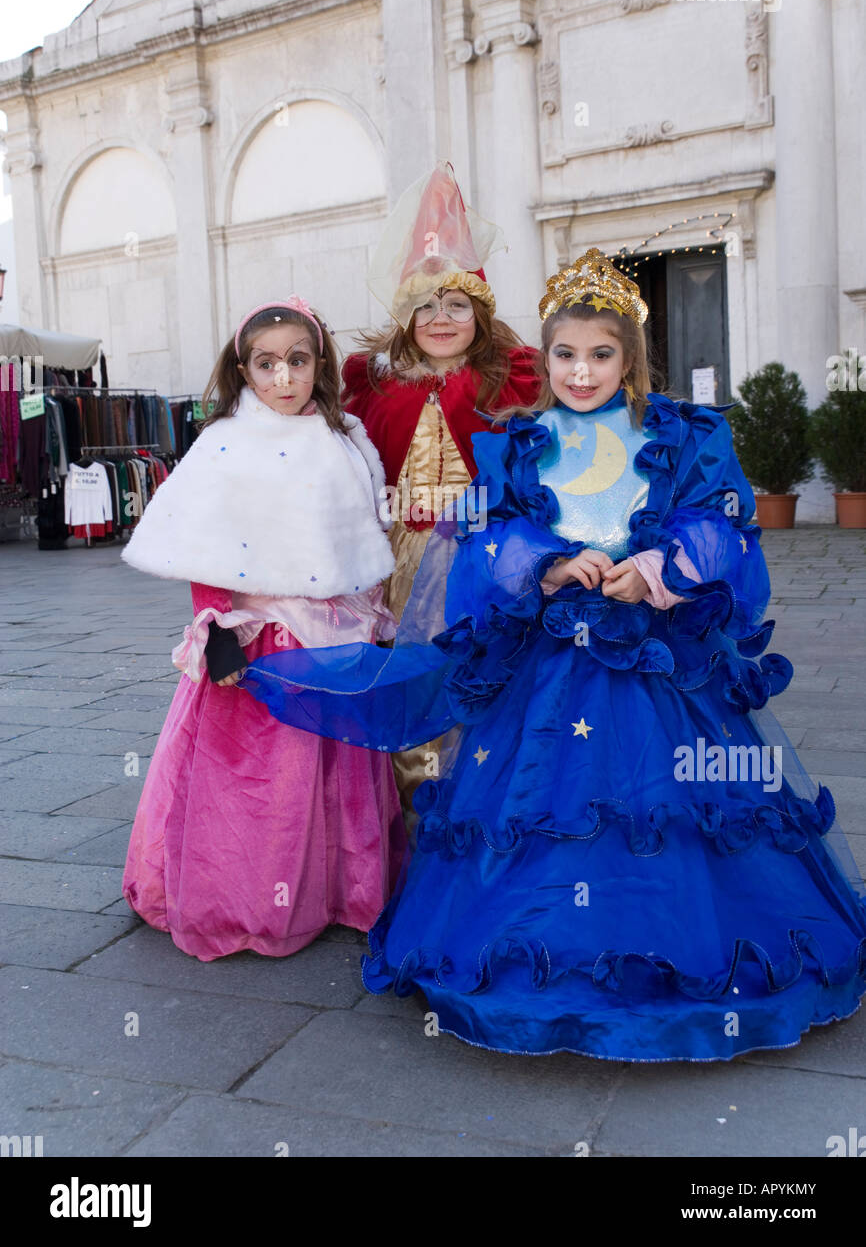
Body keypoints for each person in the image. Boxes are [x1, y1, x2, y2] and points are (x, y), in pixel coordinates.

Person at [241, 252, 866, 1061]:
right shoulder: (519, 443)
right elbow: (483, 535)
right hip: (549, 666)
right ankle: (537, 954)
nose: (581, 372)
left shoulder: (681, 434)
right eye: (566, 354)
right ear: (548, 357)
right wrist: (548, 564)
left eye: (601, 355)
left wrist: (654, 570)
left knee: (672, 806)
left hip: (658, 663)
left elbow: (721, 521)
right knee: (545, 808)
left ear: (631, 358)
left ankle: (679, 950)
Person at [120, 298, 406, 962]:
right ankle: (245, 897)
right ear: (244, 371)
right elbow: (206, 539)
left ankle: (337, 889)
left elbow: (359, 532)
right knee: (262, 779)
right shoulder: (225, 444)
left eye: (297, 362)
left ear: (319, 364)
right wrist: (217, 626)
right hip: (260, 641)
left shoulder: (344, 442)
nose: (284, 378)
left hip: (334, 640)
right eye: (267, 364)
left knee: (333, 770)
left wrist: (374, 614)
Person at [343, 161, 541, 811]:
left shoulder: (508, 379)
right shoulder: (376, 385)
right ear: (404, 316)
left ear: (480, 313)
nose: (440, 317)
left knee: (484, 676)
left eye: (456, 304)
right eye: (425, 306)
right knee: (413, 681)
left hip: (480, 558)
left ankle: (481, 801)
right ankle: (416, 811)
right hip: (399, 559)